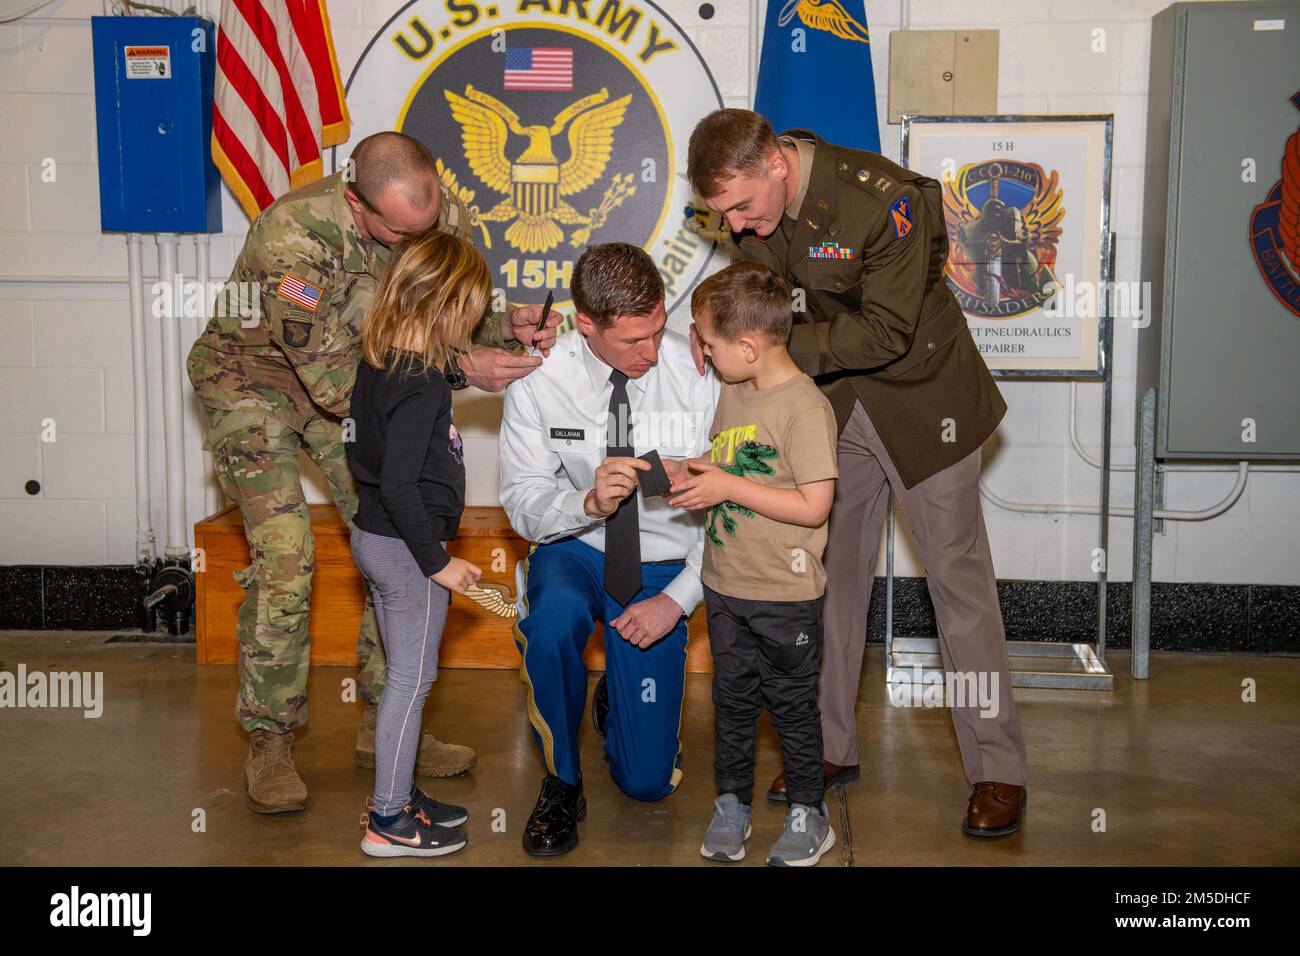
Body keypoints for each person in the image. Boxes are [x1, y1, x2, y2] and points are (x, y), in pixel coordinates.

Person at [187, 131, 558, 814]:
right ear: (359, 206)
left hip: (372, 381)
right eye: (400, 233)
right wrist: (458, 367)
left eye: (428, 225)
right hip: (256, 385)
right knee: (287, 556)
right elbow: (333, 382)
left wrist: (508, 325)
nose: (417, 240)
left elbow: (442, 305)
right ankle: (270, 738)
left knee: (394, 529)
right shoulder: (291, 242)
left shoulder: (434, 212)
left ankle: (384, 721)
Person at [687, 109, 1030, 837]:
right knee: (826, 579)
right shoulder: (756, 209)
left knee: (958, 589)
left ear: (777, 163)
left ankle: (997, 767)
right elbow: (761, 303)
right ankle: (829, 748)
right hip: (831, 412)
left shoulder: (884, 199)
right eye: (724, 216)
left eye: (743, 207)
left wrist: (770, 354)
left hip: (925, 405)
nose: (739, 227)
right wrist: (718, 330)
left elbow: (885, 331)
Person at [497, 242, 719, 857]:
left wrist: (678, 600)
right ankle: (562, 781)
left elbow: (732, 510)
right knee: (552, 619)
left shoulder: (698, 368)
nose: (652, 353)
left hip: (663, 565)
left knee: (648, 784)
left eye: (658, 331)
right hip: (576, 548)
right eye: (632, 342)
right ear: (586, 324)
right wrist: (586, 506)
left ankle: (620, 697)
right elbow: (522, 501)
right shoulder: (540, 377)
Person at [668, 261, 839, 866]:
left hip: (784, 592)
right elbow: (734, 466)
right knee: (732, 701)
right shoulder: (735, 391)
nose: (704, 355)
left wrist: (726, 489)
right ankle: (731, 802)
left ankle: (809, 812)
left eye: (709, 345)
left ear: (747, 345)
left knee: (791, 705)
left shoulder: (805, 409)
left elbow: (814, 506)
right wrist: (686, 472)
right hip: (724, 584)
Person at [348, 231, 489, 858]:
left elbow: (366, 458)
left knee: (408, 675)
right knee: (411, 679)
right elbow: (402, 482)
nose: (475, 322)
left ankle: (401, 797)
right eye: (471, 311)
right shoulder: (421, 382)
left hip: (377, 537)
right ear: (444, 304)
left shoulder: (383, 363)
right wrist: (439, 562)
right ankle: (387, 821)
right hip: (409, 551)